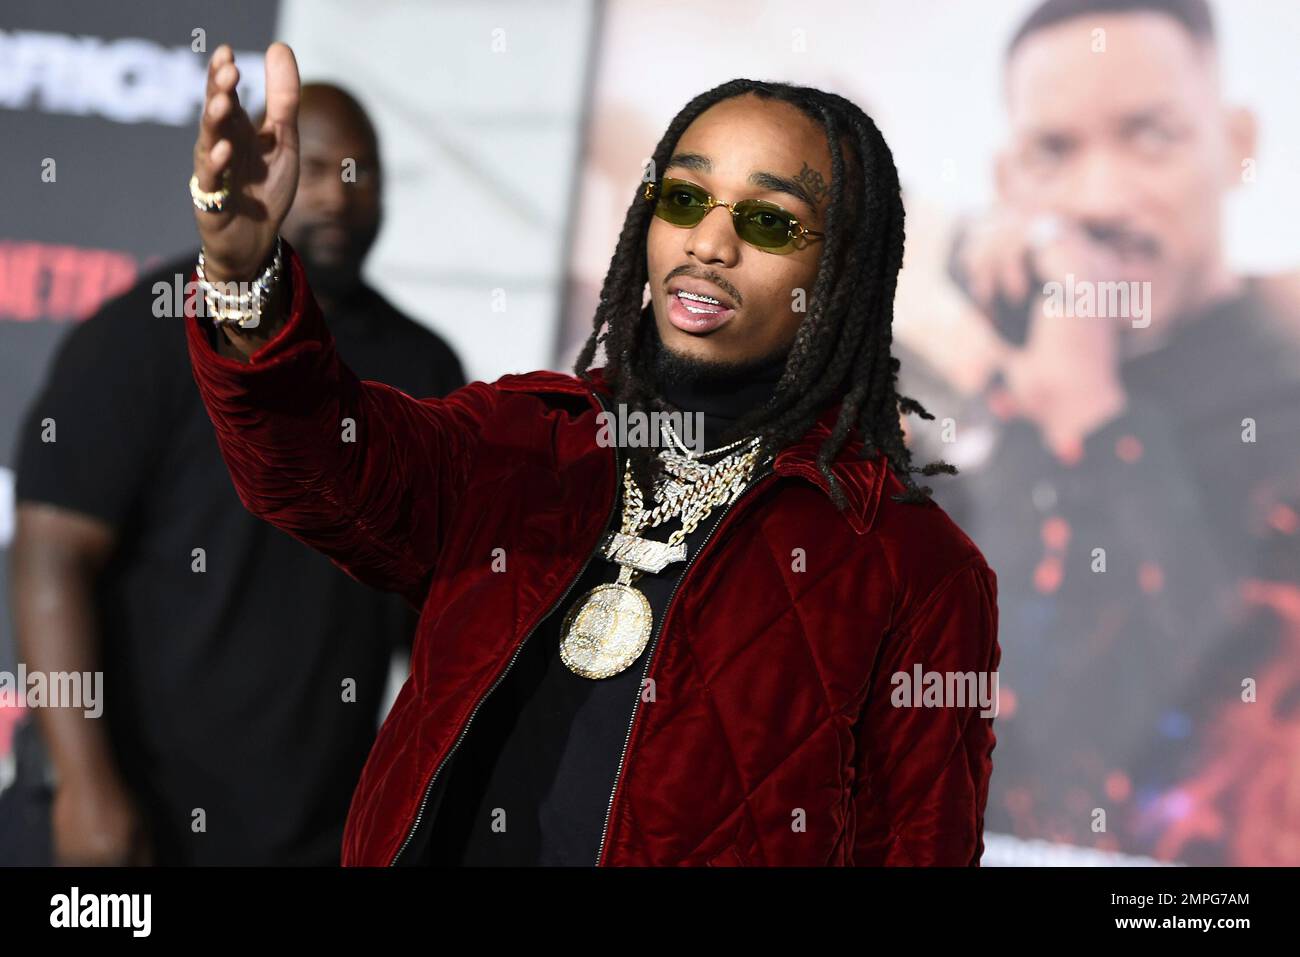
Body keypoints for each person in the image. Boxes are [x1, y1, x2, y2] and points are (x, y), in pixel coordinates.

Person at [184, 43, 1000, 867]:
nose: (709, 243)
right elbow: (316, 463)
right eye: (683, 198)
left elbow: (919, 847)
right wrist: (244, 273)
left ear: (842, 268)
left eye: (767, 220)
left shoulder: (917, 570)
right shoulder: (526, 439)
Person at [7, 82, 466, 866]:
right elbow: (50, 552)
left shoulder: (425, 364)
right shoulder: (147, 330)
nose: (337, 196)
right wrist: (86, 788)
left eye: (362, 173)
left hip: (309, 833)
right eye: (315, 168)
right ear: (266, 175)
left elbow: (435, 607)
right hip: (123, 817)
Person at [893, 0, 1300, 864]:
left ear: (1236, 143)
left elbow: (1170, 746)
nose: (1100, 197)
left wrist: (1089, 415)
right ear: (1010, 179)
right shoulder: (1023, 380)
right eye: (1055, 151)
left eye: (1152, 136)